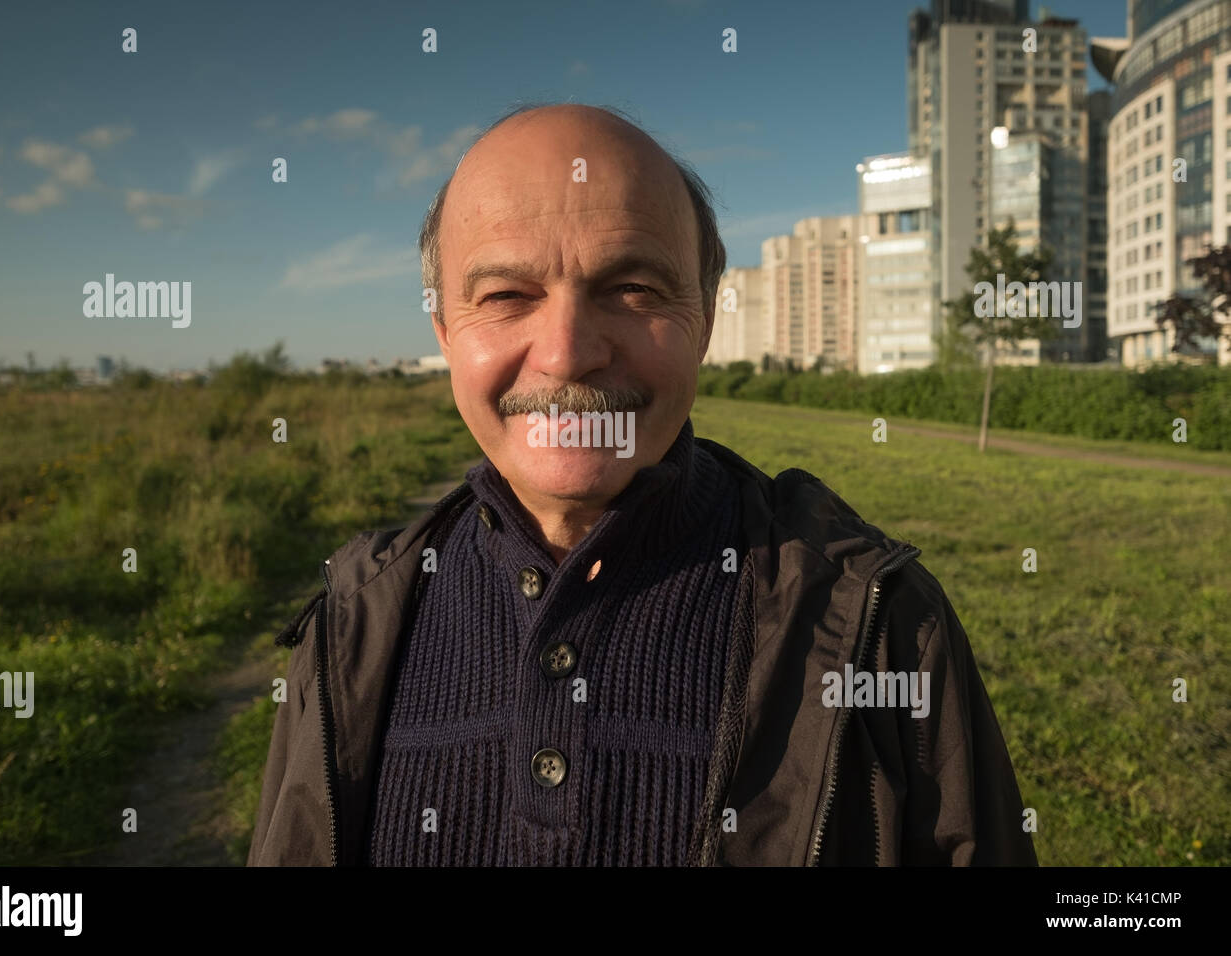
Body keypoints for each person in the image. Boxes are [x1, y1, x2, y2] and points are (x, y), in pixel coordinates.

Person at [248, 102, 1037, 867]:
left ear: (705, 321)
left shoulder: (880, 620)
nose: (567, 353)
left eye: (633, 290)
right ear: (446, 334)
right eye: (505, 297)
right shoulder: (354, 622)